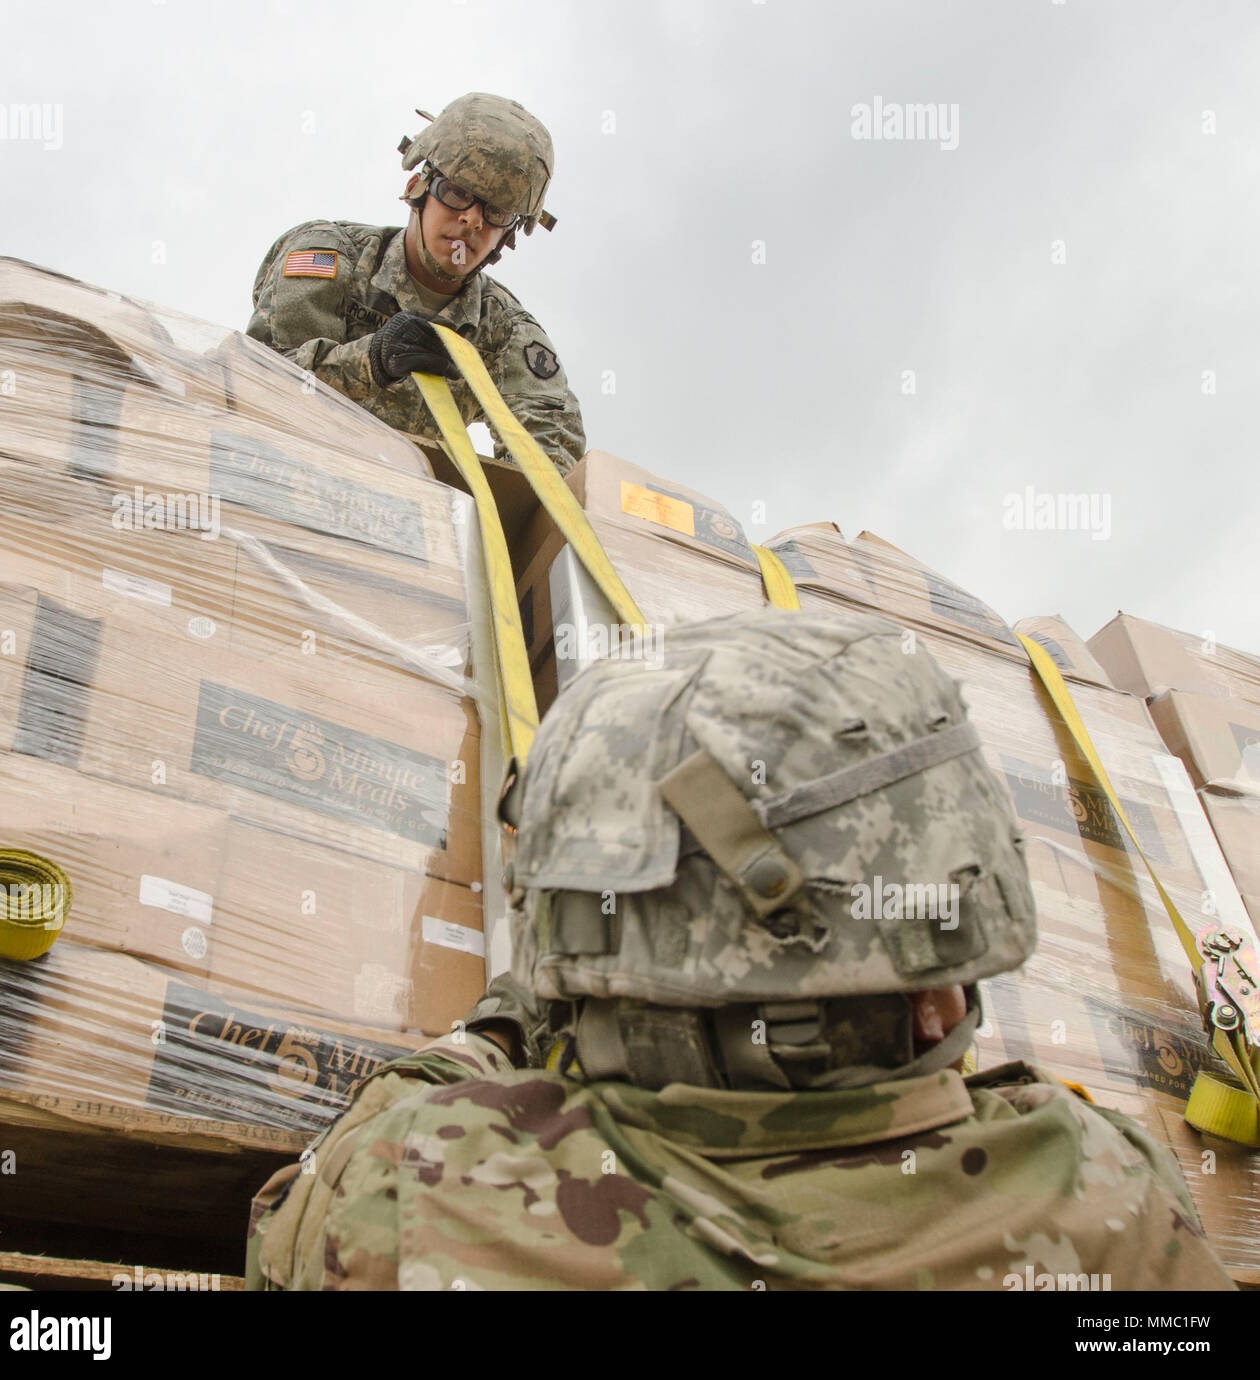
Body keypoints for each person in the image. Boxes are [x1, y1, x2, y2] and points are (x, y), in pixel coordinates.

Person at [245, 608, 1236, 1291]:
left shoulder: (423, 1191)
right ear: (940, 990)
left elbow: (298, 1214)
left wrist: (505, 1023)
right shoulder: (1109, 1198)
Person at [246, 92, 585, 474]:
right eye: (458, 193)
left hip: (409, 518)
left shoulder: (505, 332)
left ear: (508, 235)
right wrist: (370, 360)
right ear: (417, 187)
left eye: (496, 212)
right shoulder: (331, 256)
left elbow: (550, 458)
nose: (472, 221)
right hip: (286, 477)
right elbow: (259, 383)